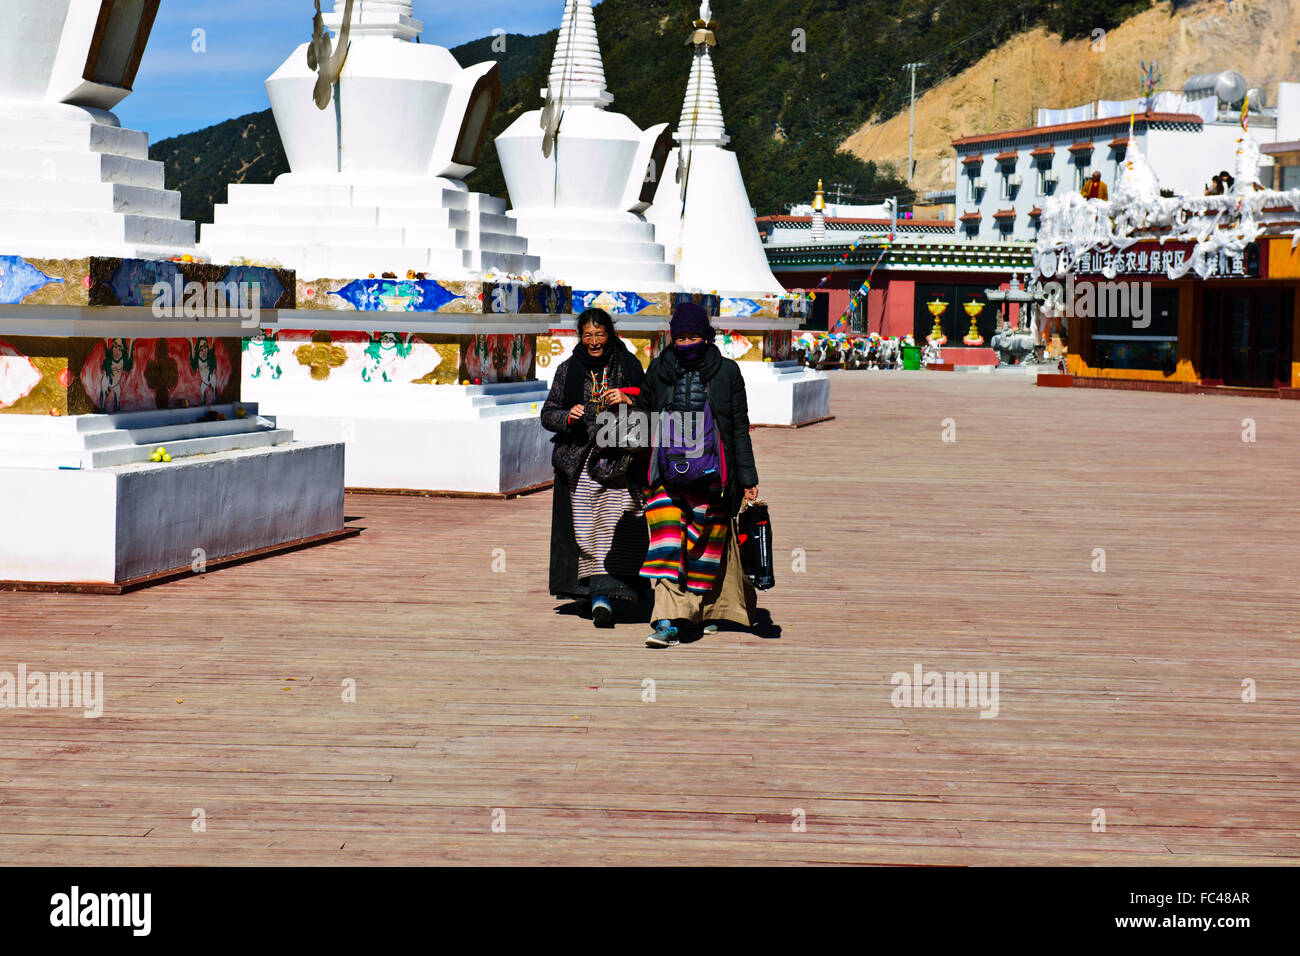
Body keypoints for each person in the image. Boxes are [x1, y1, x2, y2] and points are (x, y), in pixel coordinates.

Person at [635, 302, 760, 648]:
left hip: (713, 478)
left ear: (706, 336)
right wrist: (635, 472)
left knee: (704, 547)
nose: (687, 343)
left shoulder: (727, 373)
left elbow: (737, 428)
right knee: (667, 540)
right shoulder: (658, 370)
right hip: (665, 475)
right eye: (680, 337)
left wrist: (747, 478)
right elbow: (642, 421)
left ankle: (702, 610)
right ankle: (667, 621)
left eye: (693, 336)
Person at [541, 308, 648, 626]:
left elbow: (651, 404)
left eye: (599, 334)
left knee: (619, 524)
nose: (594, 341)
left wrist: (629, 400)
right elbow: (548, 414)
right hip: (580, 462)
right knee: (588, 529)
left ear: (610, 334)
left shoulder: (629, 366)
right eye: (587, 335)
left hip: (619, 461)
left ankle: (616, 588)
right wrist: (566, 416)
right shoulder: (567, 369)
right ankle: (598, 596)